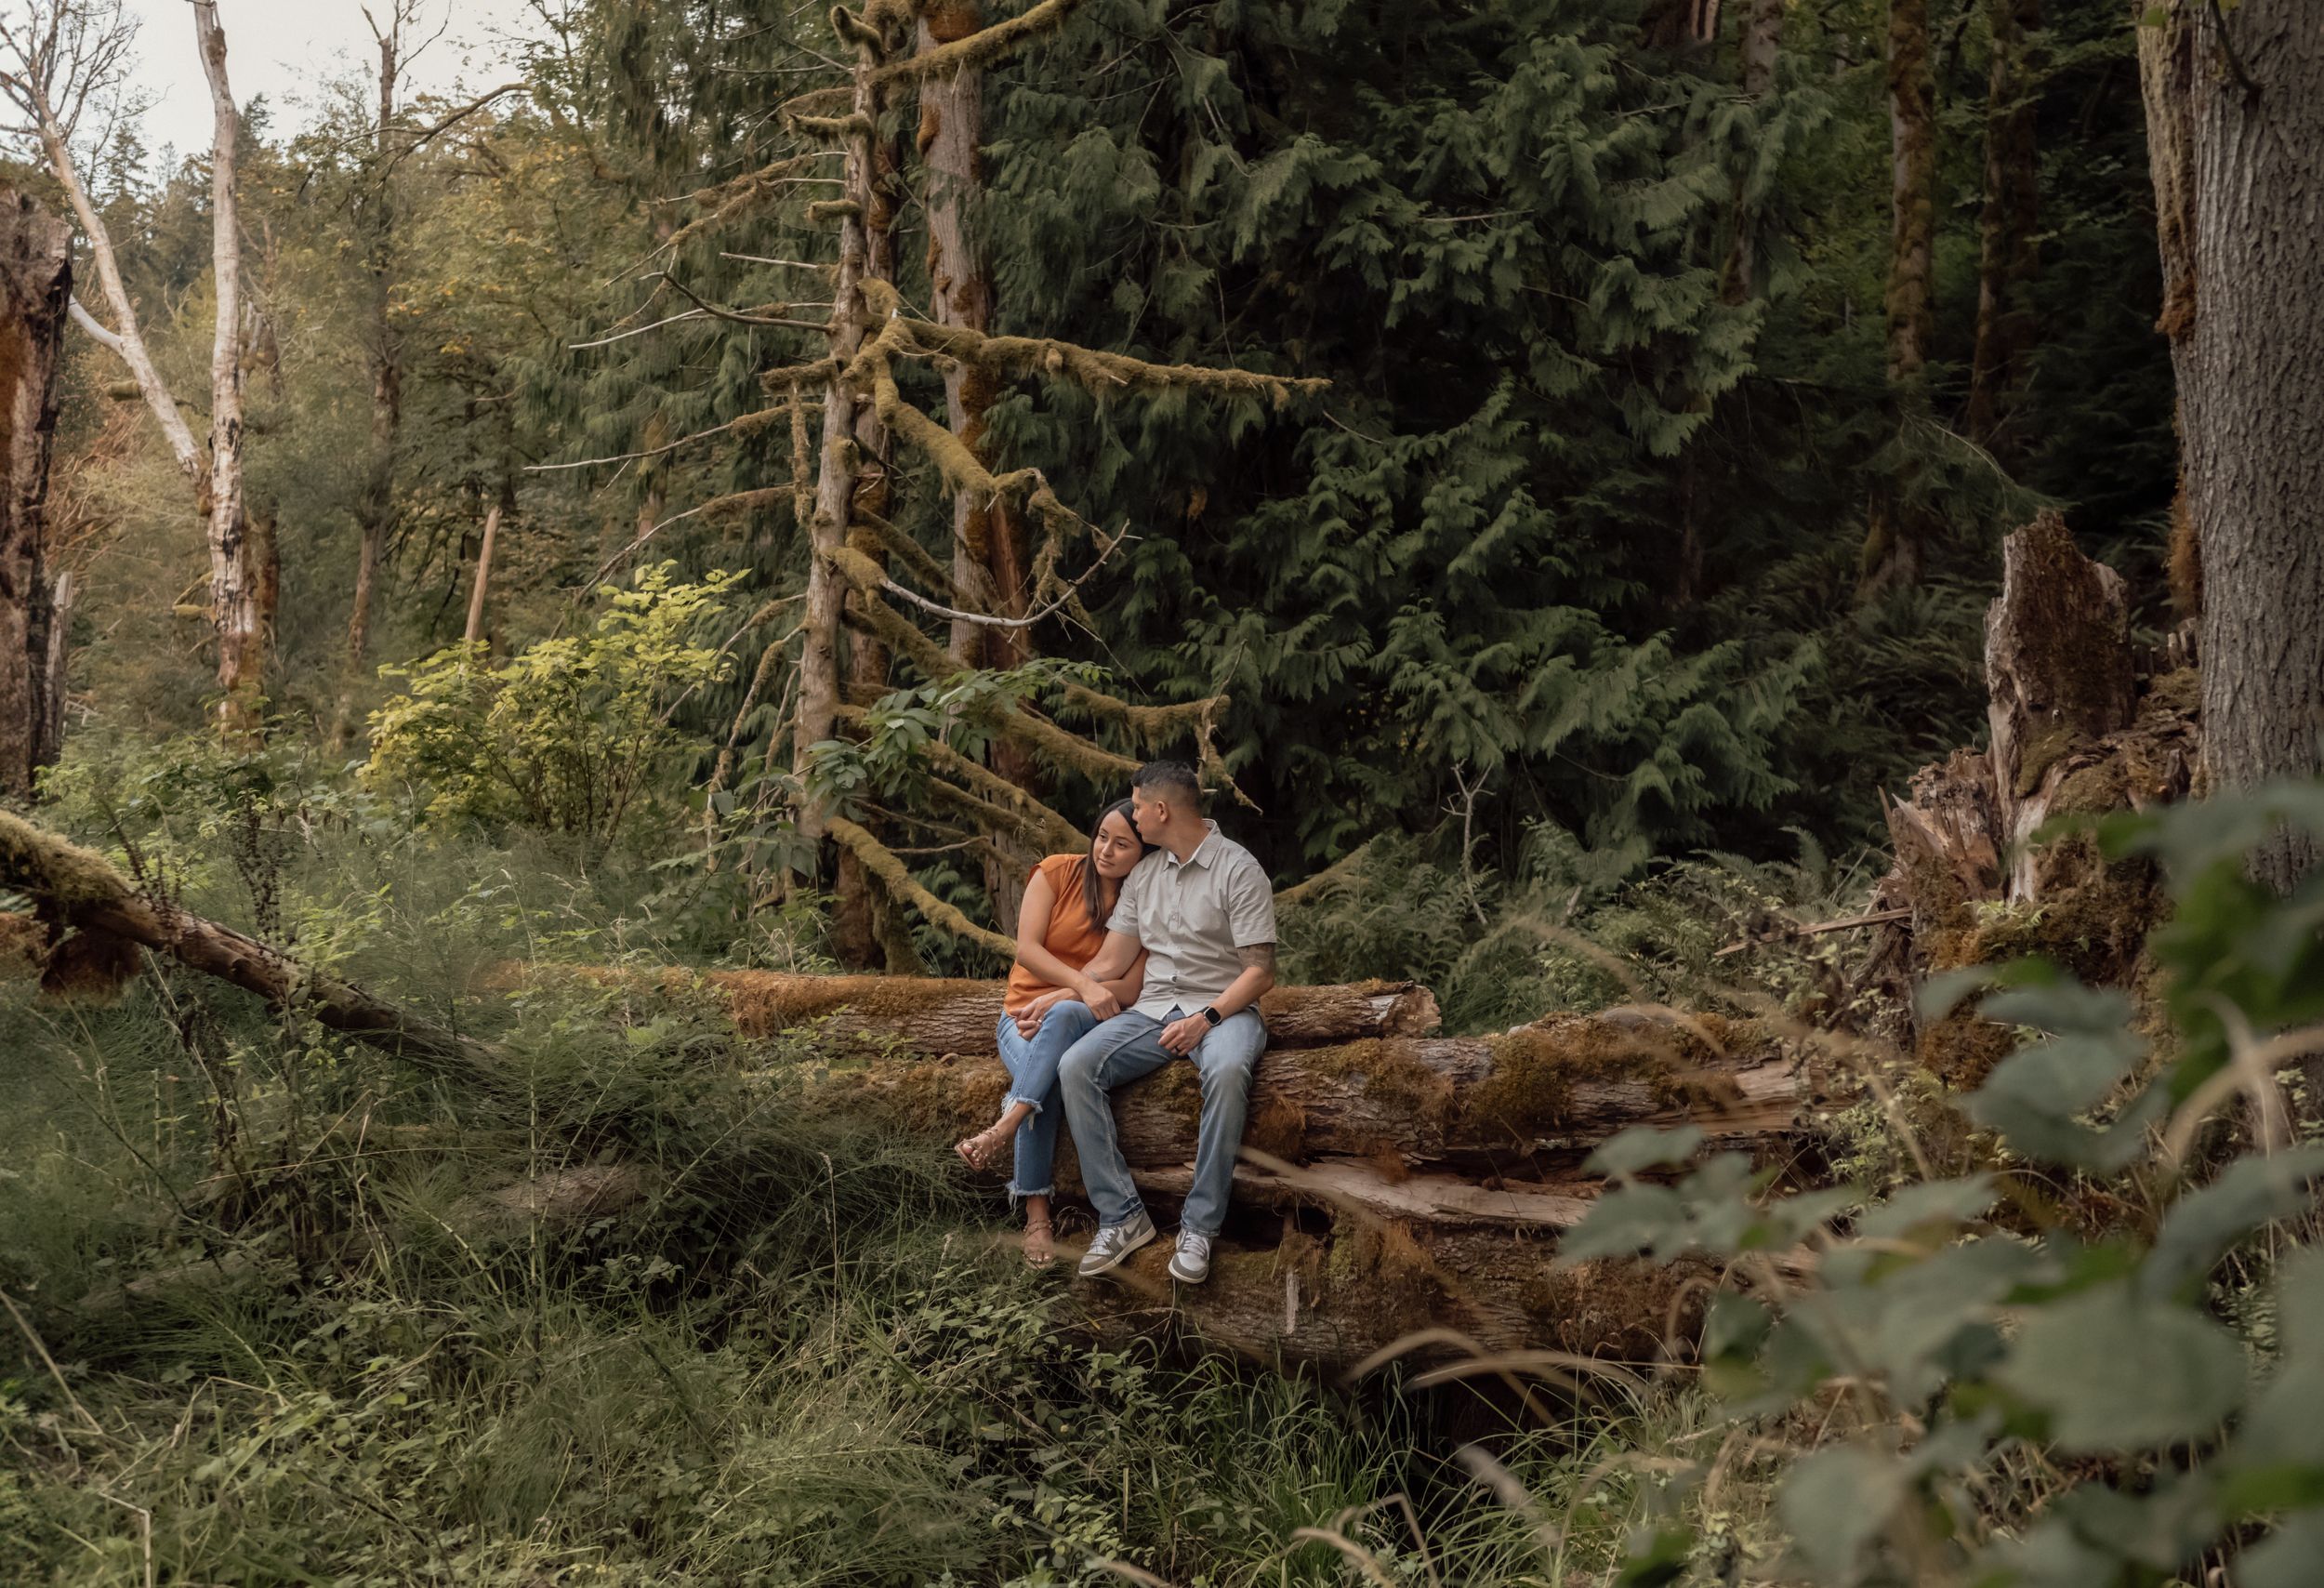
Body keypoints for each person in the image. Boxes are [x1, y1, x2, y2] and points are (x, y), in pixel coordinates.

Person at [1056, 760, 1277, 1284]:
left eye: (1135, 807)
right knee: (1075, 1065)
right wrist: (1063, 992)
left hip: (1225, 1010)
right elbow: (1111, 961)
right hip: (1153, 1010)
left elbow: (1261, 972)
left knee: (1226, 1073)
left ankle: (1200, 1227)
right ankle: (1122, 1216)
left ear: (1160, 810)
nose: (1131, 815)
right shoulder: (1145, 875)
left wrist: (1206, 1018)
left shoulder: (1238, 869)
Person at [954, 801, 1152, 1267]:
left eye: (1123, 844)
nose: (1106, 850)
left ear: (1143, 854)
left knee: (1052, 1066)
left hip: (1080, 1019)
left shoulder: (1143, 900)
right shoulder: (1057, 872)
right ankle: (1037, 1216)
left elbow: (1132, 986)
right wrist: (1081, 984)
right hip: (1021, 1018)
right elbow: (1027, 950)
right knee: (1051, 1081)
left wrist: (1071, 996)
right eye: (1102, 836)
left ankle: (1004, 1127)